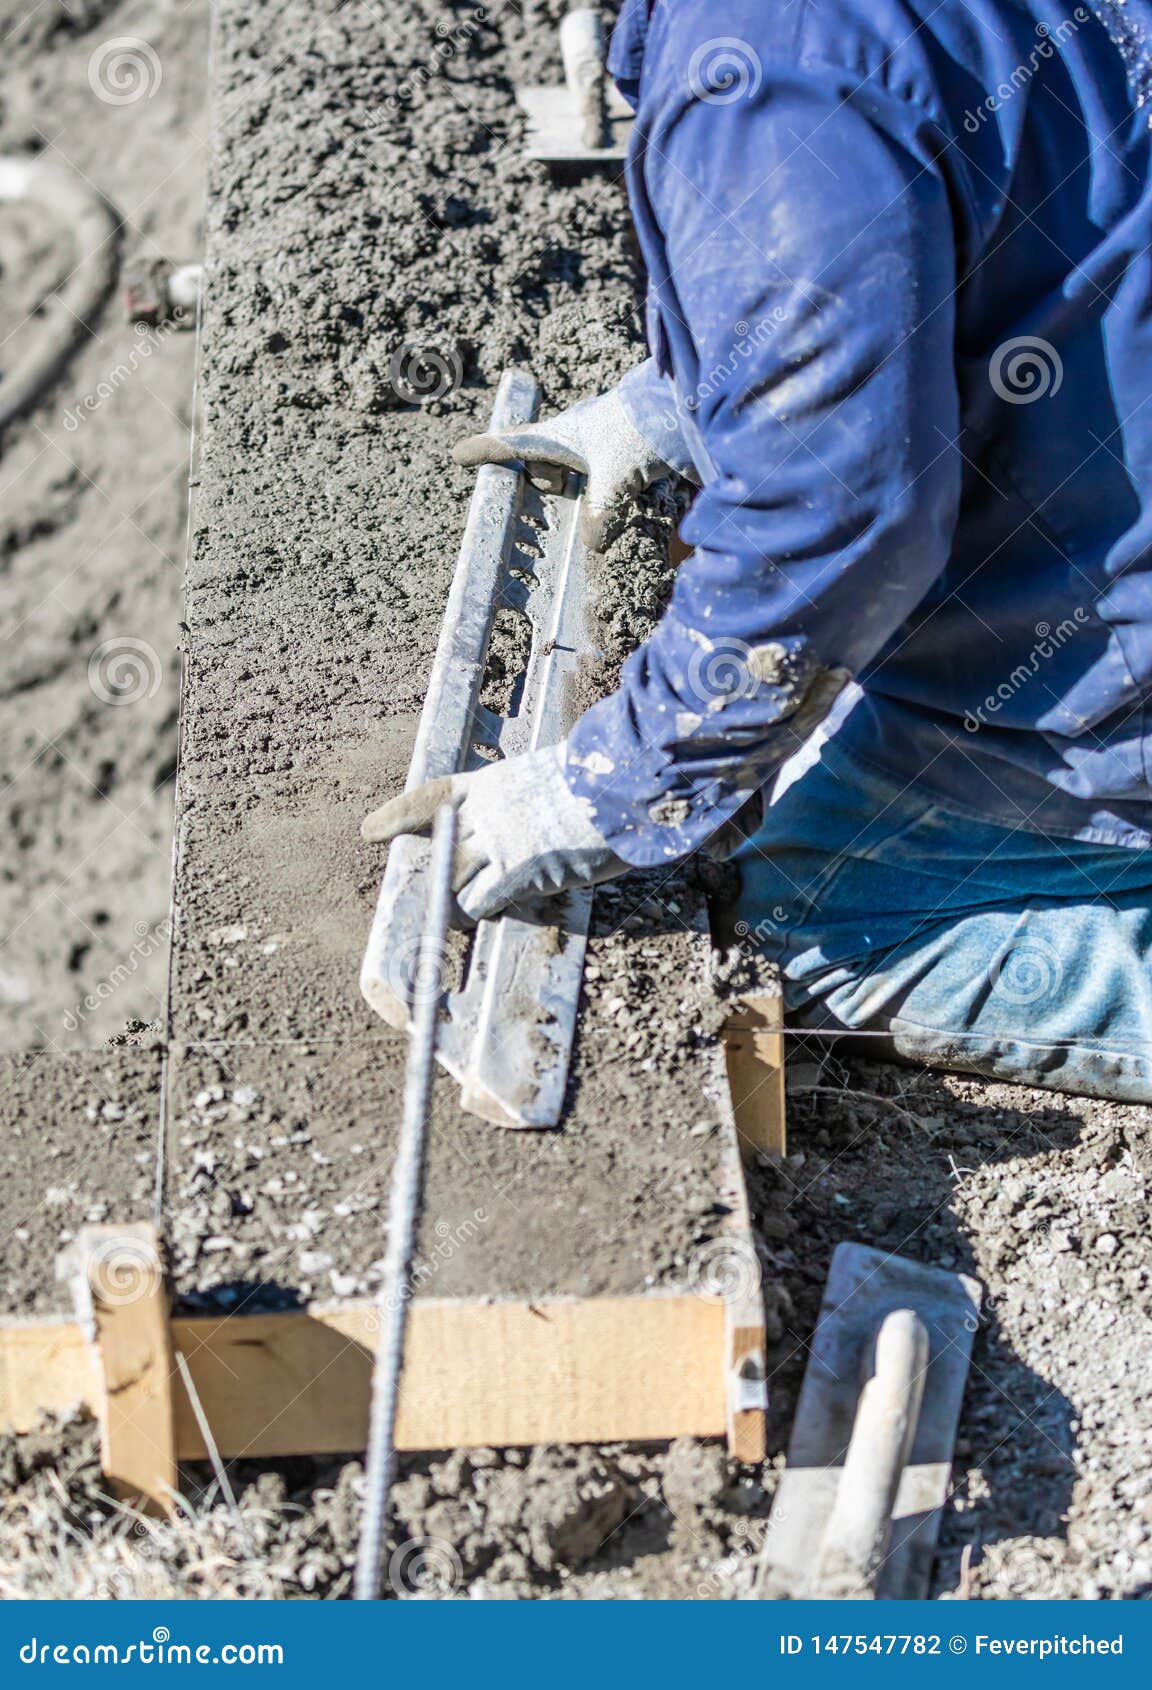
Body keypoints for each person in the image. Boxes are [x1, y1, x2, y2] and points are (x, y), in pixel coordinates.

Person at [364, 0, 1152, 1102]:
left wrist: (611, 786)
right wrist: (684, 404)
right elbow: (978, 189)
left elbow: (833, 515)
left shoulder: (765, 66)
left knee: (817, 909)